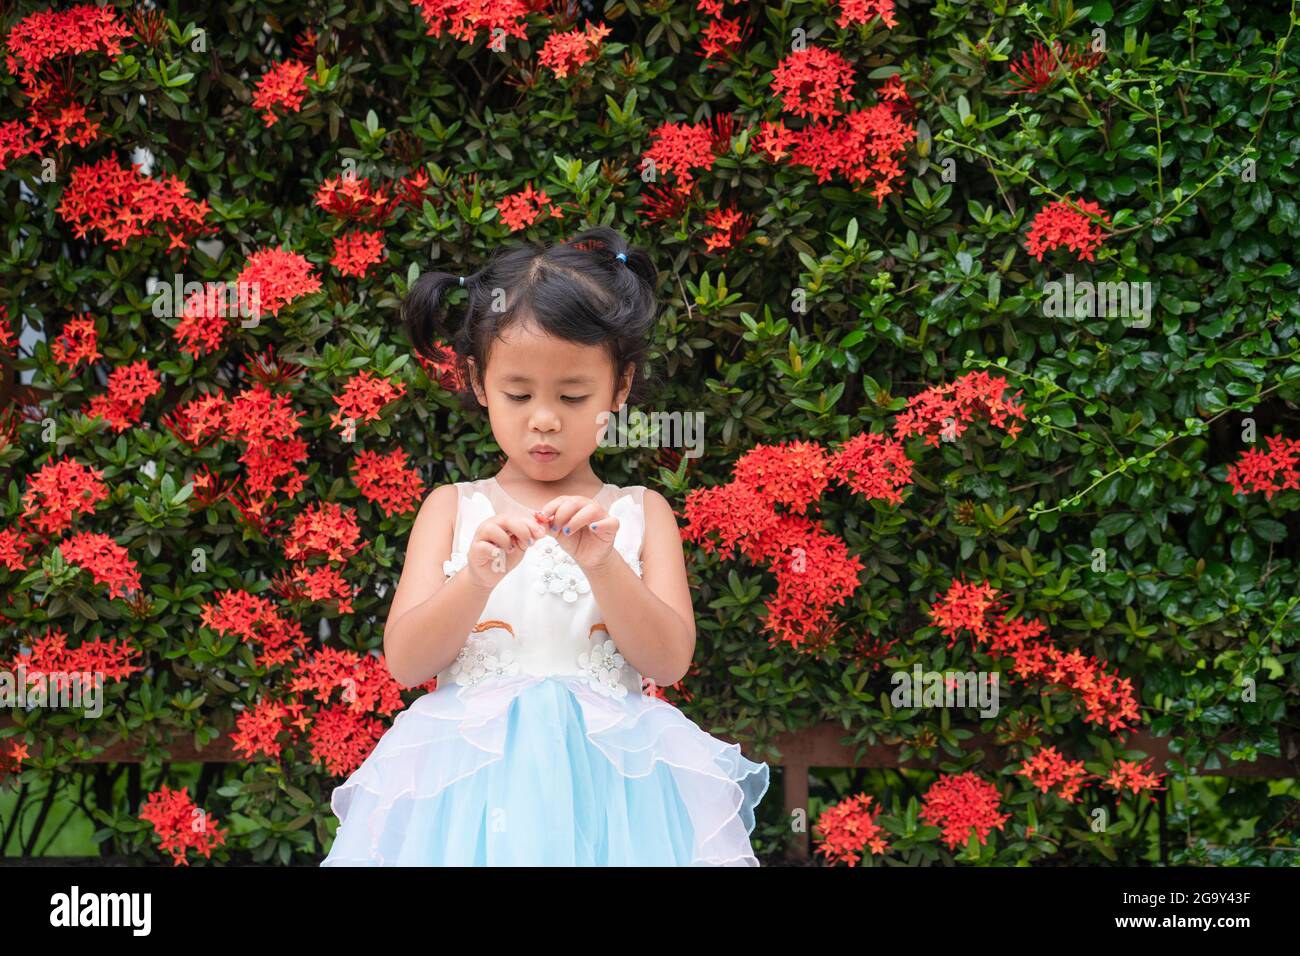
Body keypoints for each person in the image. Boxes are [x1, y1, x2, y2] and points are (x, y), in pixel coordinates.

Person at [321, 225, 770, 866]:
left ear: (618, 389)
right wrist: (473, 580)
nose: (544, 418)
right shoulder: (452, 509)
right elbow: (406, 661)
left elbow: (668, 662)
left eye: (573, 395)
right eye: (519, 393)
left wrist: (605, 565)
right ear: (478, 383)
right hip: (468, 794)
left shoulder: (641, 513)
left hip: (616, 793)